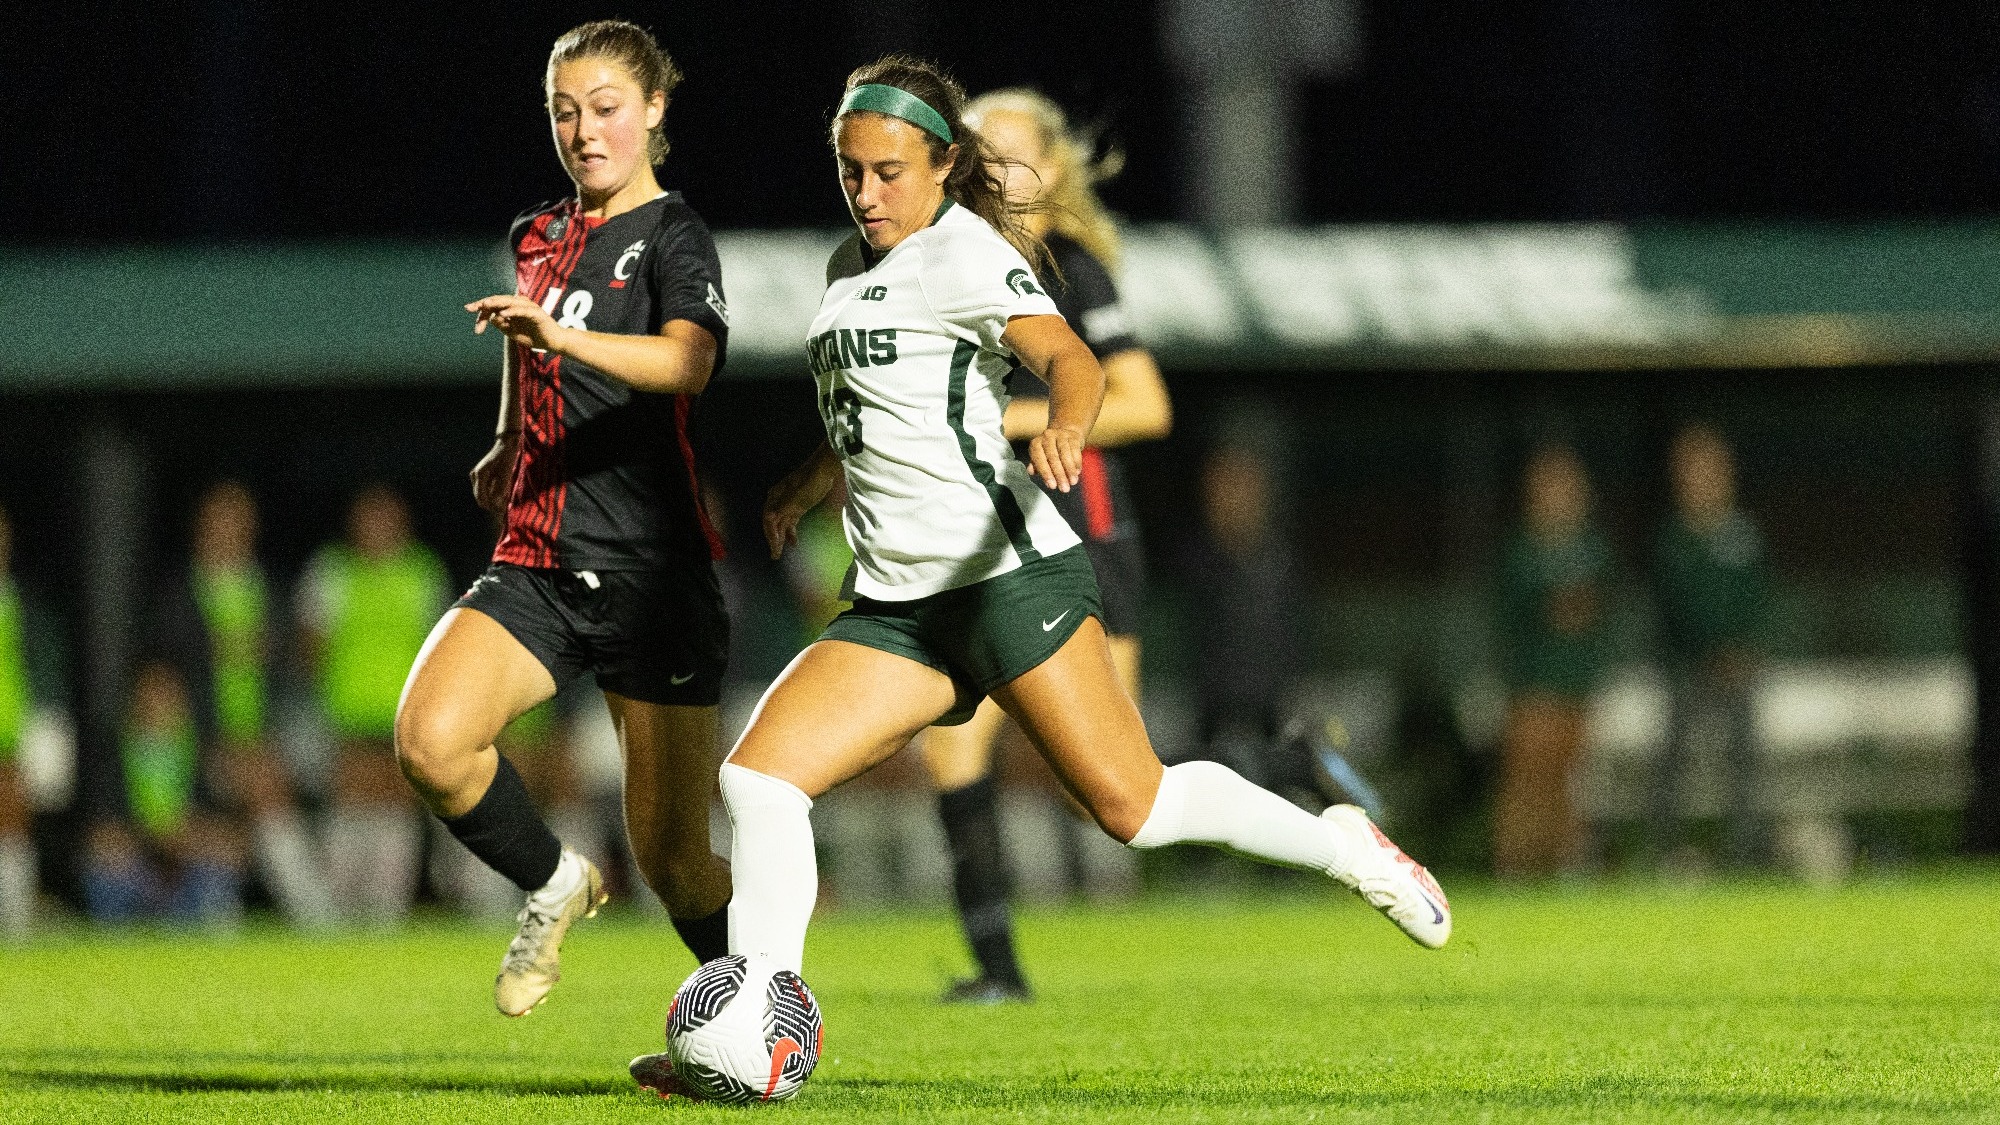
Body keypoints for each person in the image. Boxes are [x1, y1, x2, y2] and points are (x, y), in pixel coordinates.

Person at [630, 54, 1446, 1100]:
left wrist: (1063, 426)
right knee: (757, 780)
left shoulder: (964, 252)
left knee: (1130, 807)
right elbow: (884, 404)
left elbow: (1073, 361)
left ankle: (1345, 849)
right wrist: (809, 479)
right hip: (899, 606)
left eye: (887, 171)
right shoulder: (849, 263)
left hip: (1007, 579)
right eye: (850, 170)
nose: (866, 192)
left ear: (942, 165)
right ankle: (753, 1026)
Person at [396, 19, 734, 1017]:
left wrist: (561, 340)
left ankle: (762, 1009)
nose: (584, 130)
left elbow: (688, 362)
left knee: (674, 863)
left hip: (650, 577)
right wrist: (508, 439)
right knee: (430, 743)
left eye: (605, 108)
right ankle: (552, 883)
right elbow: (527, 345)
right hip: (538, 556)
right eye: (564, 111)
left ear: (654, 110)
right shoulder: (535, 235)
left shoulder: (673, 235)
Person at [916, 87, 1173, 1005]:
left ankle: (1284, 760)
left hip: (1086, 540)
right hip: (991, 544)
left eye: (1009, 152)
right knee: (951, 748)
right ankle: (999, 973)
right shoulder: (946, 264)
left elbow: (1144, 403)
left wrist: (1009, 416)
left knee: (1108, 796)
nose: (990, 166)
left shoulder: (1070, 270)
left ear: (1052, 171)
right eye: (974, 149)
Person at [154, 482, 334, 926]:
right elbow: (163, 687)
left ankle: (335, 902)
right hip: (201, 749)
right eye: (219, 518)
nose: (229, 530)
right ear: (201, 526)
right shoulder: (178, 595)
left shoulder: (268, 590)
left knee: (352, 772)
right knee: (262, 792)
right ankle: (318, 916)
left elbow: (293, 672)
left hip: (277, 736)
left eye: (238, 520)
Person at [298, 484, 448, 924]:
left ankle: (388, 914)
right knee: (351, 795)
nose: (377, 527)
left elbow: (441, 652)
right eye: (369, 517)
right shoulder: (329, 572)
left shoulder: (424, 572)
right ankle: (333, 912)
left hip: (405, 721)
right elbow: (309, 653)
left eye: (387, 517)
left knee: (399, 799)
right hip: (339, 723)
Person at [1652, 423, 1769, 868]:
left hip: (1741, 671)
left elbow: (1759, 599)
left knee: (1745, 763)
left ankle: (1746, 855)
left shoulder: (1743, 534)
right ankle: (1668, 854)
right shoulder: (1673, 539)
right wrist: (1712, 650)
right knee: (1674, 763)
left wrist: (1748, 649)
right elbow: (1676, 605)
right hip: (1688, 669)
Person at [1493, 445, 1612, 878]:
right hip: (1534, 688)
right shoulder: (1521, 551)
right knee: (1527, 785)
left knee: (1572, 785)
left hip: (1577, 686)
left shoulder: (1593, 548)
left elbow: (1597, 607)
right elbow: (1539, 610)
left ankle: (1565, 868)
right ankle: (1514, 869)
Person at [82, 660, 244, 926]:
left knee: (219, 862)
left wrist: (194, 837)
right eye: (150, 692)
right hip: (137, 868)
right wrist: (158, 836)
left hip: (190, 869)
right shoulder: (110, 753)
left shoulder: (206, 753)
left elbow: (235, 838)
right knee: (105, 863)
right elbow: (98, 835)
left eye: (167, 692)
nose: (158, 702)